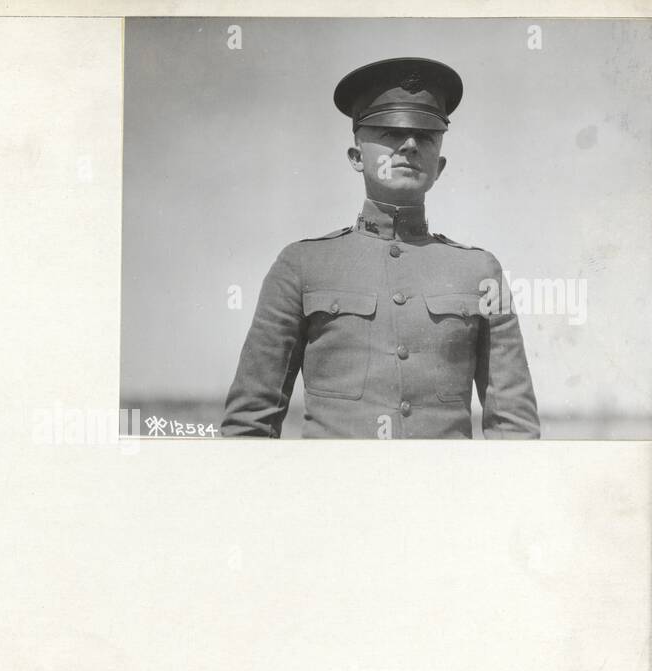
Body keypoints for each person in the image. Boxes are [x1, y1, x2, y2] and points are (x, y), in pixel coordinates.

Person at [221, 57, 541, 439]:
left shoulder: (479, 273)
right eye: (391, 132)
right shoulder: (302, 266)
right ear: (356, 157)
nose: (409, 144)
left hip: (444, 496)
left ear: (438, 166)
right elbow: (248, 426)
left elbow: (514, 431)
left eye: (425, 135)